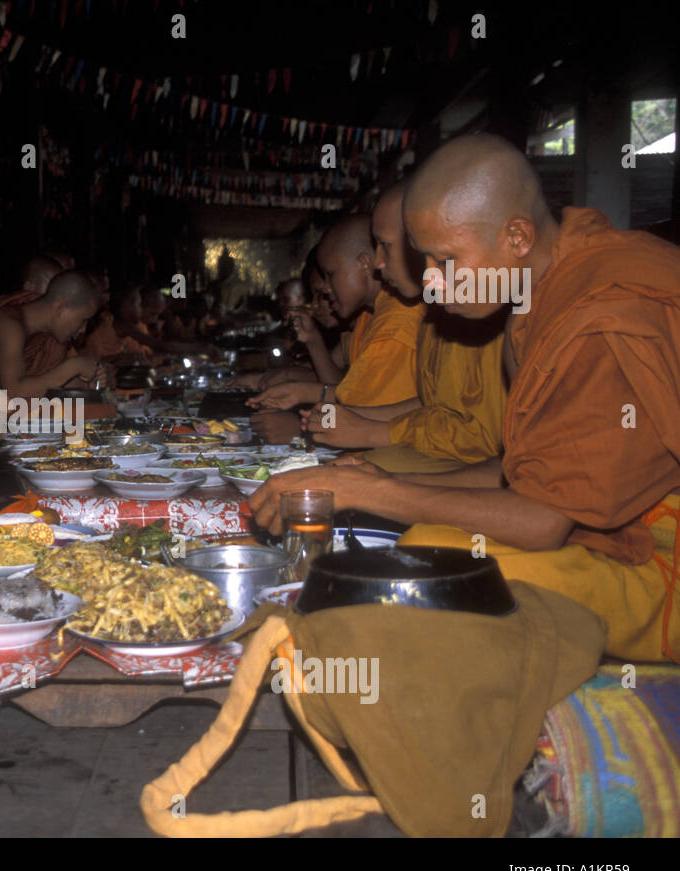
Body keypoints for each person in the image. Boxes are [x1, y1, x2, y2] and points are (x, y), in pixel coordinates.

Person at [250, 133, 680, 663]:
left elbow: (544, 521)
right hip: (592, 529)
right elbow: (520, 469)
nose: (430, 281)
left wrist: (364, 491)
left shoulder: (597, 315)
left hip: (662, 564)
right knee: (426, 536)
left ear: (517, 236)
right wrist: (379, 482)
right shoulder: (539, 290)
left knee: (427, 569)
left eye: (444, 260)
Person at [303, 181, 507, 473]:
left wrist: (372, 433)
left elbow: (482, 442)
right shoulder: (433, 313)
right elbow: (430, 403)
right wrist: (358, 421)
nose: (377, 263)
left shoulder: (485, 306)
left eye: (386, 246)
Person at [249, 213, 423, 422]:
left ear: (365, 263)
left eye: (331, 274)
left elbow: (366, 417)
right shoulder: (369, 316)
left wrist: (303, 420)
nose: (326, 287)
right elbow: (348, 393)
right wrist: (299, 392)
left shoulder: (397, 320)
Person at [0, 270, 102, 395]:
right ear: (61, 308)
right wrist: (73, 366)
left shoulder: (49, 335)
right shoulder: (10, 326)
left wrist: (88, 380)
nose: (83, 329)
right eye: (83, 320)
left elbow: (44, 380)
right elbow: (14, 391)